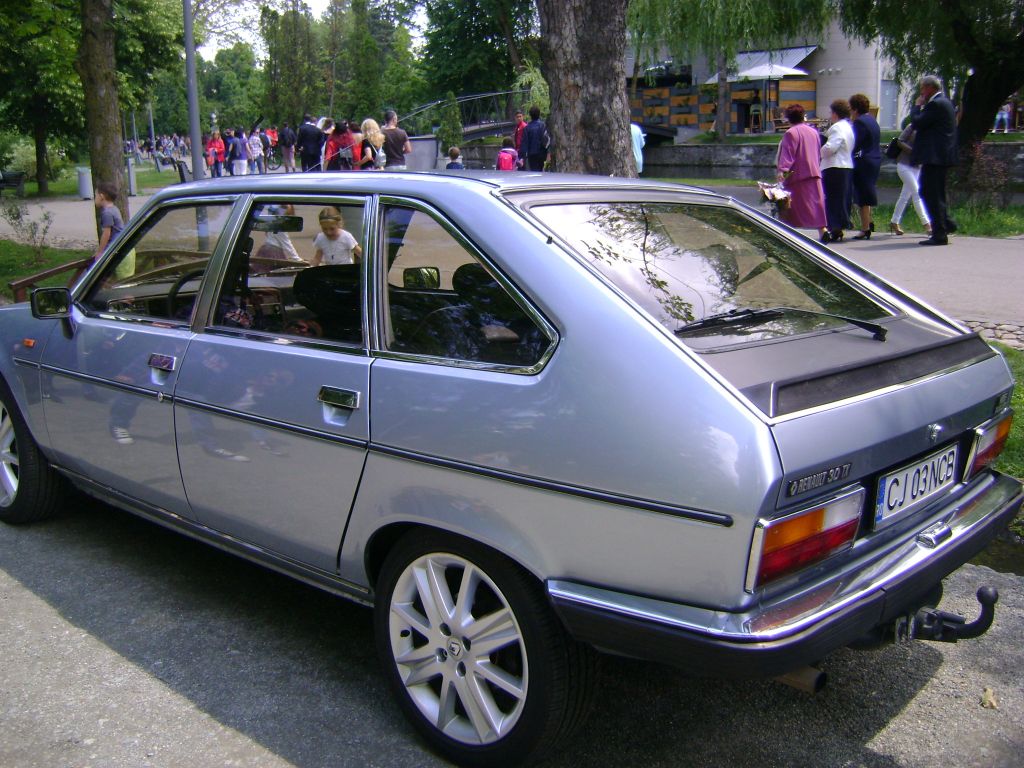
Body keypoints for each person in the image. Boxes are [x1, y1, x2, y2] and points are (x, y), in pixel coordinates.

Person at [910, 75, 958, 246]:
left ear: (930, 88)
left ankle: (939, 233)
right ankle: (946, 224)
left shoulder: (936, 104)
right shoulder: (944, 103)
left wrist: (916, 107)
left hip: (935, 157)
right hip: (939, 156)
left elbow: (917, 123)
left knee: (931, 194)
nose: (921, 92)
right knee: (933, 193)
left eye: (923, 88)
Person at [775, 104, 827, 240]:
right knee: (816, 204)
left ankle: (786, 233)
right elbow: (817, 152)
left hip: (798, 175)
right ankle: (823, 230)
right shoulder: (813, 132)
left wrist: (782, 170)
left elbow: (788, 154)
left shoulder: (791, 133)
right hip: (814, 172)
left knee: (791, 206)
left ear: (788, 118)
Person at [820, 99, 855, 242]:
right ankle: (838, 226)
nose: (830, 115)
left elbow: (830, 148)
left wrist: (820, 150)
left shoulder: (836, 128)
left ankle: (834, 226)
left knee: (832, 198)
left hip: (834, 166)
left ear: (835, 113)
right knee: (841, 198)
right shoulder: (848, 126)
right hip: (846, 165)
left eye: (831, 112)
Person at [888, 124, 931, 236]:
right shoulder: (913, 126)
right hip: (904, 165)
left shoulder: (931, 129)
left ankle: (894, 221)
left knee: (905, 196)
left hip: (917, 167)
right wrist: (913, 151)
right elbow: (900, 141)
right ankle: (927, 225)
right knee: (917, 193)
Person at [849, 93, 881, 239]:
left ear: (855, 109)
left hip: (864, 160)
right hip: (875, 159)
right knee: (867, 191)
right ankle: (869, 222)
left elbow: (855, 143)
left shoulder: (859, 123)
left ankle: (865, 227)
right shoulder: (873, 120)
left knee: (862, 196)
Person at [91, 182, 124, 264]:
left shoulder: (107, 213)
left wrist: (100, 252)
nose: (95, 198)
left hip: (115, 249)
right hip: (119, 247)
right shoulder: (114, 209)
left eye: (96, 196)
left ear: (101, 197)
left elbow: (106, 234)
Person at [521, 106, 550, 171]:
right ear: (539, 114)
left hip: (531, 154)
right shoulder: (542, 125)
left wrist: (523, 156)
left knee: (533, 170)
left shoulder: (527, 128)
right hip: (541, 153)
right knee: (540, 169)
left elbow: (524, 143)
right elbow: (546, 139)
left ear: (530, 115)